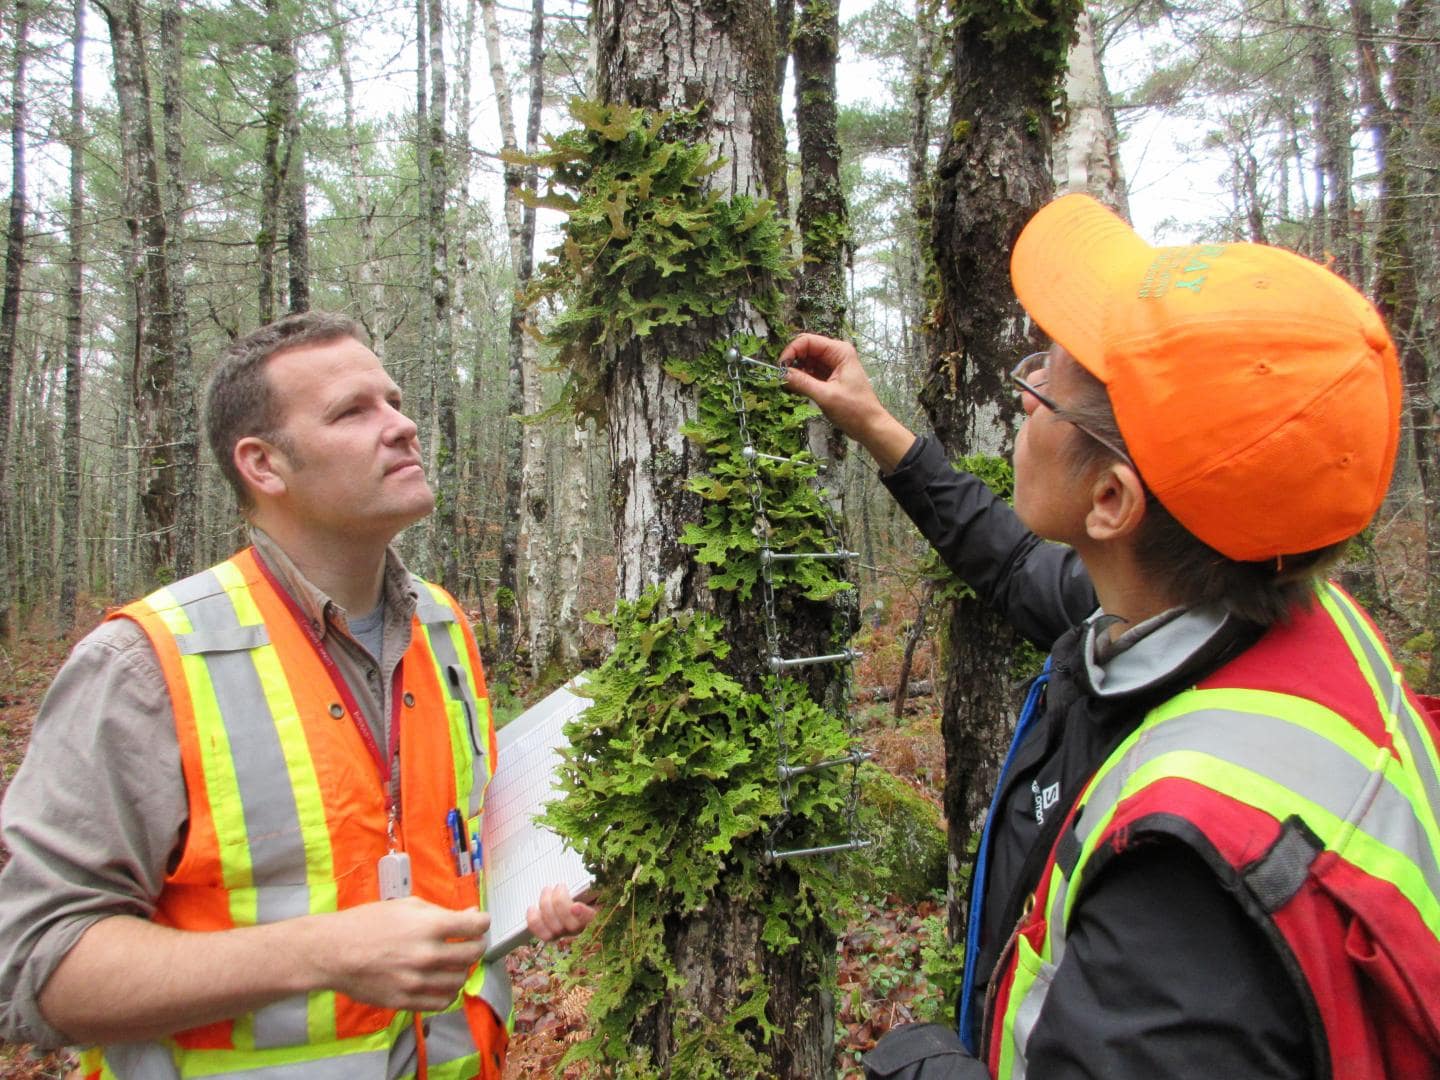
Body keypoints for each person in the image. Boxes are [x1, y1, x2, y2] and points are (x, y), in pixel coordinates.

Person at [782, 194, 1440, 1079]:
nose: (1026, 395)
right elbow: (1016, 567)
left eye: (1044, 386)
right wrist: (878, 428)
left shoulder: (1188, 887)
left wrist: (920, 1065)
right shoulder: (1270, 617)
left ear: (1112, 502)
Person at [0, 311, 595, 1078]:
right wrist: (321, 955)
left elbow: (449, 848)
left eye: (394, 400)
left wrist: (528, 897)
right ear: (264, 465)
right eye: (354, 411)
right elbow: (33, 963)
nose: (404, 426)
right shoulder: (146, 664)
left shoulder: (442, 628)